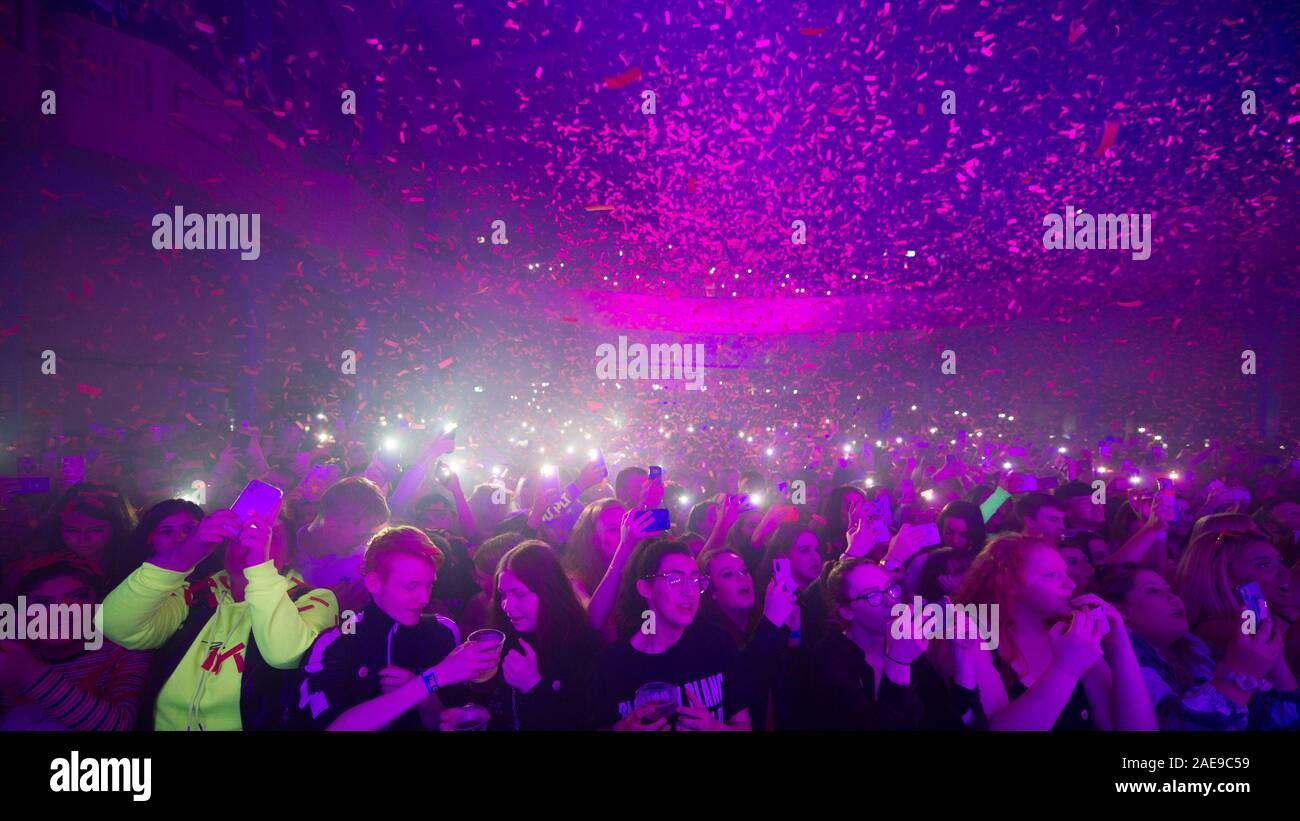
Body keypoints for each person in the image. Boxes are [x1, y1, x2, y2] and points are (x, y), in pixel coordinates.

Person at [102, 509, 337, 730]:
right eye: (238, 536)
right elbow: (117, 626)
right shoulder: (197, 592)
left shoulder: (313, 599)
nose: (248, 543)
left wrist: (260, 569)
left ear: (290, 556)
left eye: (268, 537)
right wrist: (187, 553)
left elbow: (285, 656)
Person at [295, 526, 498, 731]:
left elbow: (442, 722)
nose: (425, 598)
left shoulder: (442, 630)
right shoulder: (336, 641)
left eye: (429, 585)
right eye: (411, 587)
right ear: (374, 582)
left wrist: (425, 698)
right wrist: (430, 680)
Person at [954, 535, 1158, 730]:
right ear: (1009, 583)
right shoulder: (974, 638)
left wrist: (1119, 644)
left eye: (1066, 573)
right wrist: (1065, 669)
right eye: (1052, 575)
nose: (1071, 584)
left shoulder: (1072, 634)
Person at [1095, 563, 1300, 730]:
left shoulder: (1191, 648)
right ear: (1119, 610)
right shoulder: (1124, 660)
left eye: (1171, 590)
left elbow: (1284, 721)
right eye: (1154, 591)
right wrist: (1240, 674)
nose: (1173, 598)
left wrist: (1275, 656)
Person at [796, 557, 991, 730]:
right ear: (846, 611)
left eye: (890, 588)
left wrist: (963, 656)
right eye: (873, 595)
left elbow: (961, 723)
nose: (891, 602)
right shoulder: (826, 663)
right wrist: (898, 662)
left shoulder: (908, 648)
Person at [587, 538, 753, 731]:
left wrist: (714, 728)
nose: (689, 591)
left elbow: (744, 726)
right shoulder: (611, 666)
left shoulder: (716, 643)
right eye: (674, 579)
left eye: (694, 580)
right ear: (645, 588)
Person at [462, 540, 600, 730]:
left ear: (548, 593)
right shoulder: (504, 639)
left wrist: (532, 686)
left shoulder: (582, 647)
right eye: (503, 594)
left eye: (519, 594)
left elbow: (581, 723)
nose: (506, 605)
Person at [0, 556, 150, 730]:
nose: (63, 611)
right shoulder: (9, 652)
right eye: (42, 603)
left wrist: (28, 673)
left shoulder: (124, 651)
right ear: (18, 614)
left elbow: (121, 726)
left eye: (79, 597)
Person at [697, 546, 799, 730]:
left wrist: (794, 632)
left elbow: (793, 683)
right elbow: (745, 684)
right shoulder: (708, 638)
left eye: (744, 571)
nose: (741, 578)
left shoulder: (761, 620)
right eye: (728, 574)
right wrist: (770, 621)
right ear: (712, 592)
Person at [1174, 530, 1294, 660]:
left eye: (1280, 561)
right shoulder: (1227, 630)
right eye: (1264, 565)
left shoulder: (1273, 614)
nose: (1285, 572)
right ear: (1223, 578)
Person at [294, 476, 391, 612]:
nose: (364, 543)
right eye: (362, 535)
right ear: (331, 522)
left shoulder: (363, 567)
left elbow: (352, 628)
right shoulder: (277, 548)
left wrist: (347, 614)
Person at [29, 484, 141, 589]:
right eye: (71, 530)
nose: (82, 539)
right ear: (58, 529)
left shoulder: (134, 569)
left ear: (117, 529)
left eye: (95, 530)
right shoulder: (43, 568)